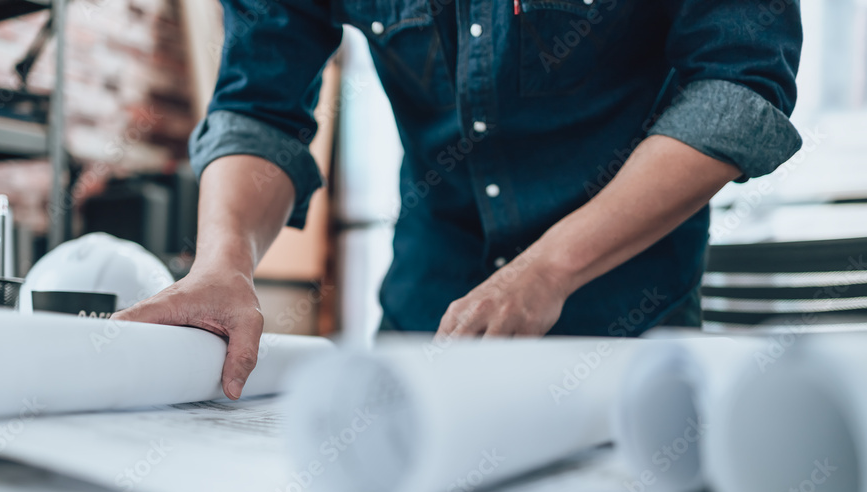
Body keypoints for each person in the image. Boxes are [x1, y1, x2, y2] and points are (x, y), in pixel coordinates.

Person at [113, 0, 803, 400]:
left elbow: (735, 88)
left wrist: (547, 271)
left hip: (627, 340)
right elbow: (259, 106)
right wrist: (223, 262)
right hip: (424, 324)